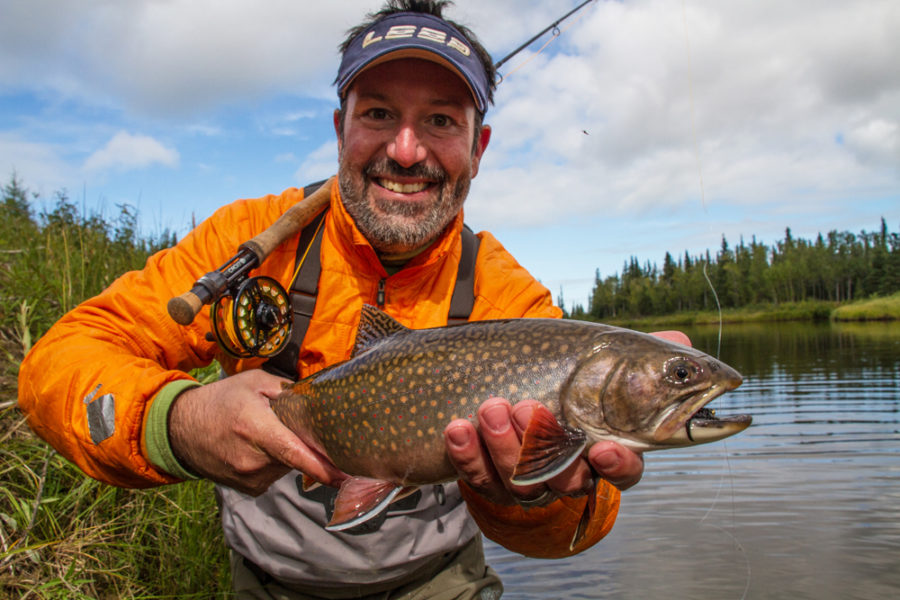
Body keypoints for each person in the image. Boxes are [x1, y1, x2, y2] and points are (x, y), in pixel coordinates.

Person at [17, 1, 677, 598]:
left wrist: (528, 495)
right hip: (266, 581)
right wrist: (179, 422)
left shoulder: (511, 300)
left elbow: (576, 528)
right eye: (379, 114)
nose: (406, 150)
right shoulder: (249, 242)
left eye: (441, 120)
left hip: (437, 582)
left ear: (478, 148)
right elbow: (60, 361)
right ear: (341, 128)